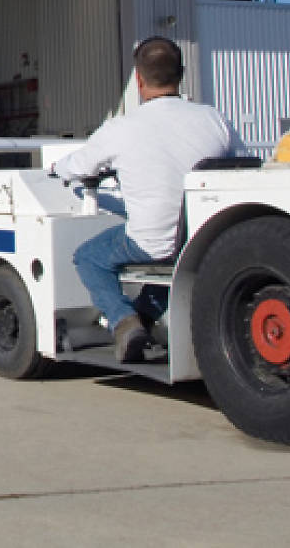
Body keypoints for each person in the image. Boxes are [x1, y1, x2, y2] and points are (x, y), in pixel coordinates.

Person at [52, 36, 244, 363]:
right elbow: (245, 163)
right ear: (181, 74)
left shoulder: (121, 128)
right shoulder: (214, 119)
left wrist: (56, 168)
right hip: (202, 240)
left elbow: (79, 166)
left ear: (138, 80)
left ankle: (124, 322)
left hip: (151, 242)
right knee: (175, 268)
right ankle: (143, 320)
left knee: (89, 257)